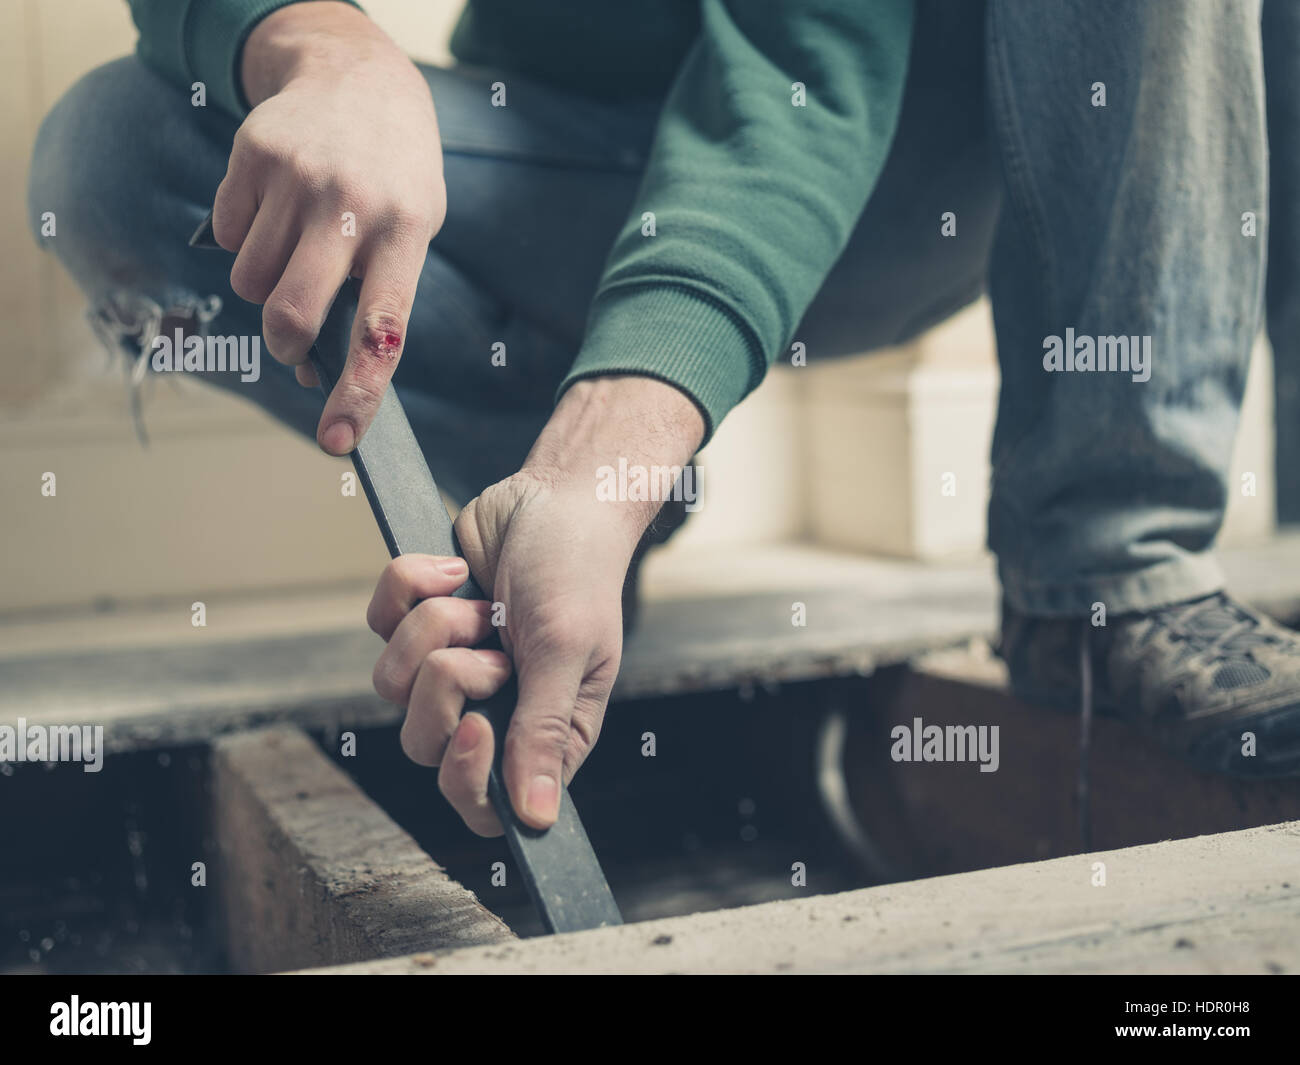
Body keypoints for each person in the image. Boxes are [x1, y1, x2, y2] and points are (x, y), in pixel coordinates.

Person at [28, 0, 1300, 839]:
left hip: (901, 172)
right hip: (574, 151)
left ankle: (1108, 564)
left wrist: (610, 456)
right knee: (115, 151)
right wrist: (319, 48)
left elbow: (806, 63)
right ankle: (530, 524)